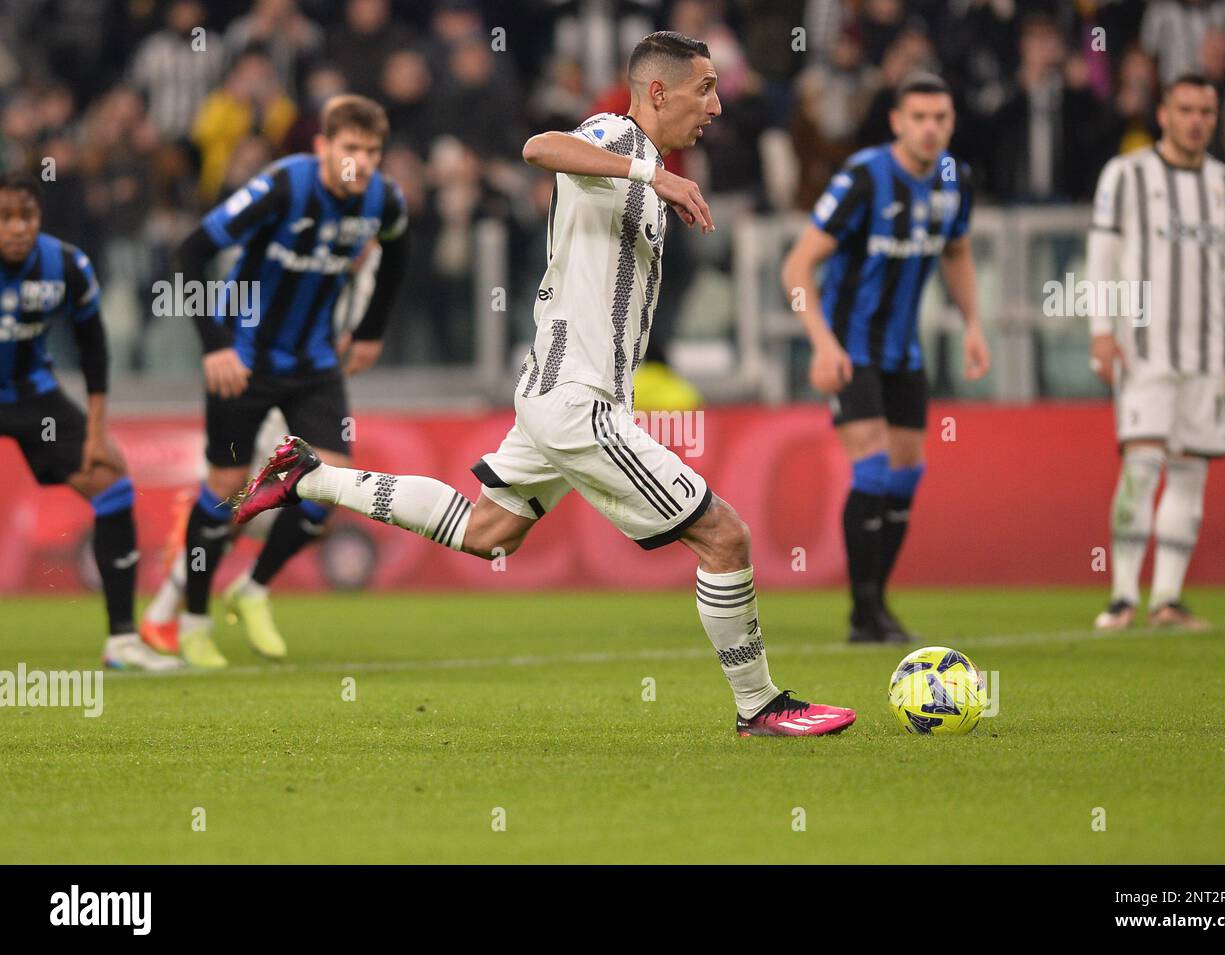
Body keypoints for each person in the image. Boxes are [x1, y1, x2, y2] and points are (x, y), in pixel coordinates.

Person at [230, 31, 855, 738]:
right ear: (658, 92)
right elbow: (539, 148)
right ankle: (760, 705)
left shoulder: (640, 161)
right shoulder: (616, 137)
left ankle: (306, 474)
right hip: (576, 403)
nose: (715, 104)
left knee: (487, 530)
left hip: (557, 393)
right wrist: (655, 178)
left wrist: (656, 179)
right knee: (725, 536)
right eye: (704, 88)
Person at [140, 94, 408, 668]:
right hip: (244, 363)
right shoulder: (284, 187)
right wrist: (214, 347)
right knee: (226, 493)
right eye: (349, 149)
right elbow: (188, 252)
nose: (359, 162)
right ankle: (193, 622)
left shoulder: (384, 200)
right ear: (321, 148)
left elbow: (399, 255)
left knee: (330, 490)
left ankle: (254, 588)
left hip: (313, 366)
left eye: (371, 151)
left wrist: (369, 333)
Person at [780, 73, 989, 644]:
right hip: (851, 348)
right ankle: (865, 610)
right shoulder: (864, 177)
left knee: (906, 475)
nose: (931, 129)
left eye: (941, 118)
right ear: (897, 121)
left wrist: (972, 324)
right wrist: (822, 343)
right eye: (919, 117)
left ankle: (873, 605)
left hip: (904, 351)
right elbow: (796, 268)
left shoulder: (955, 180)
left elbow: (958, 252)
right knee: (871, 465)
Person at [1087, 73, 1225, 631]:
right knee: (1140, 466)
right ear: (1162, 113)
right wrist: (1100, 328)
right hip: (1145, 350)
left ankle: (1166, 598)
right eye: (1184, 109)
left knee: (1189, 473)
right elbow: (1102, 256)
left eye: (1206, 112)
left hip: (1208, 356)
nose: (1196, 121)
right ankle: (1121, 596)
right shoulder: (1126, 175)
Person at [0, 173, 179, 670]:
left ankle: (122, 641)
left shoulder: (65, 265)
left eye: (26, 217)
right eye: (5, 218)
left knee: (114, 486)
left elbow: (93, 347)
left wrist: (97, 431)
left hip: (34, 396)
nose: (17, 228)